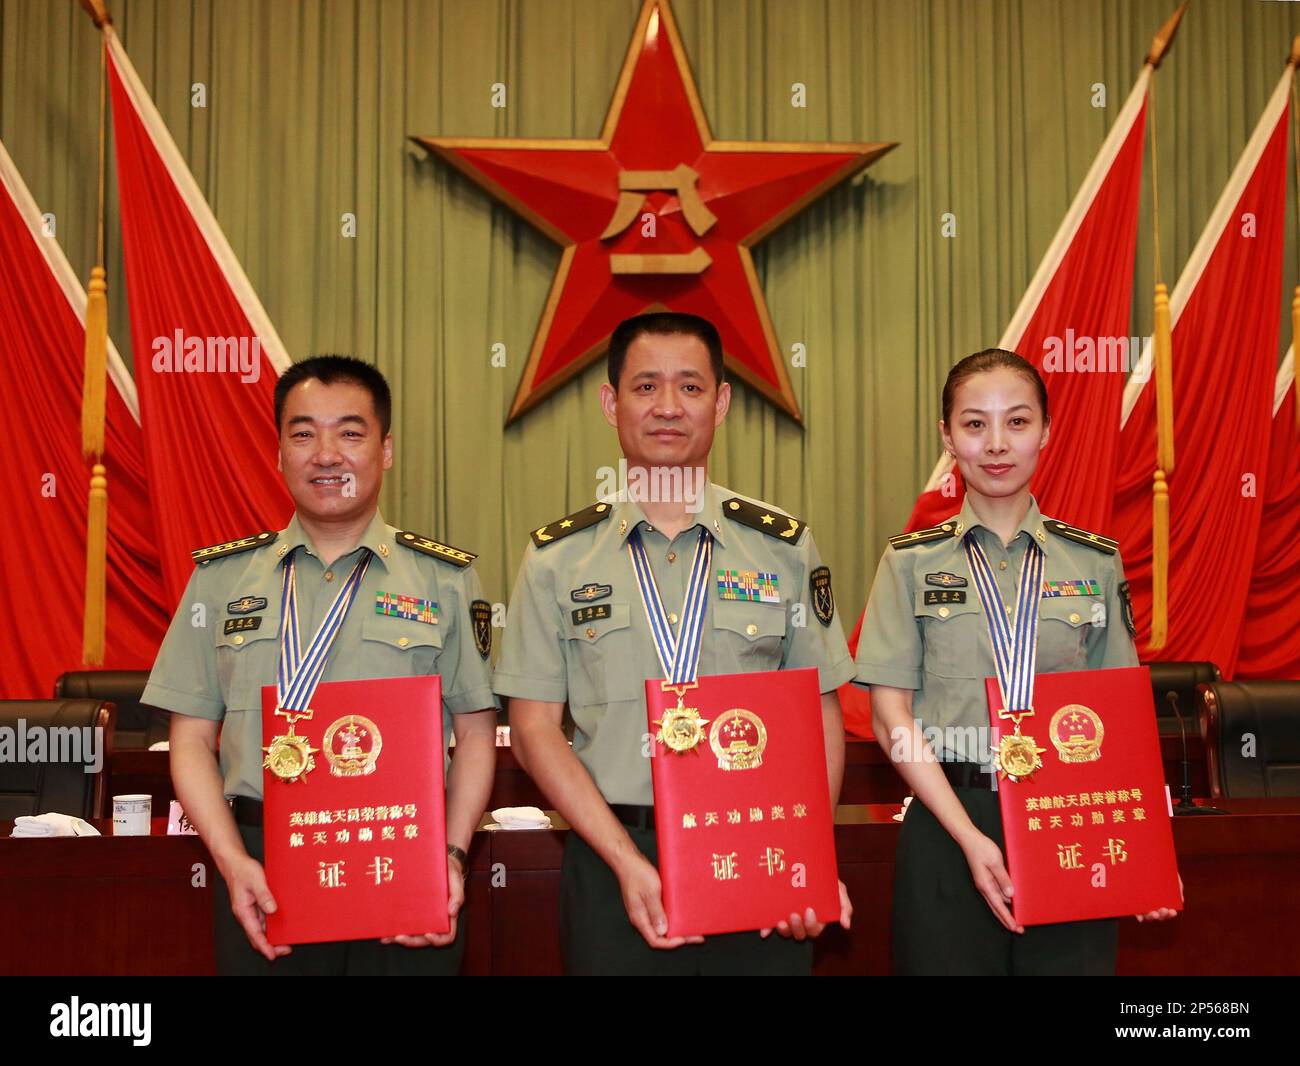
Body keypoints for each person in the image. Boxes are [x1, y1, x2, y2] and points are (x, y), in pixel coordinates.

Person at [494, 312, 855, 976]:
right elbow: (535, 727)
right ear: (611, 402)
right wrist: (626, 860)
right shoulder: (558, 558)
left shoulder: (783, 548)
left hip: (760, 853)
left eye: (689, 388)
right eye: (645, 387)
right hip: (613, 859)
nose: (667, 407)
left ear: (720, 403)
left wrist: (807, 851)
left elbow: (820, 711)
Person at [142, 355, 498, 975]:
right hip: (265, 870)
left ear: (385, 450)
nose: (326, 454)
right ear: (279, 452)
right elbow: (191, 740)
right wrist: (232, 862)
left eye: (350, 433)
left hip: (403, 859)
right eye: (303, 433)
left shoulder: (446, 579)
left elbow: (474, 734)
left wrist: (452, 856)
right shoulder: (221, 580)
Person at [854, 348, 1178, 976]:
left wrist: (1147, 853)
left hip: (1073, 818)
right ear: (947, 437)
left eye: (1018, 422)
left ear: (1046, 431)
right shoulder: (909, 562)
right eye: (975, 424)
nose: (997, 444)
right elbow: (889, 714)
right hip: (951, 819)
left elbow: (1122, 714)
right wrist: (972, 839)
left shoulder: (1094, 562)